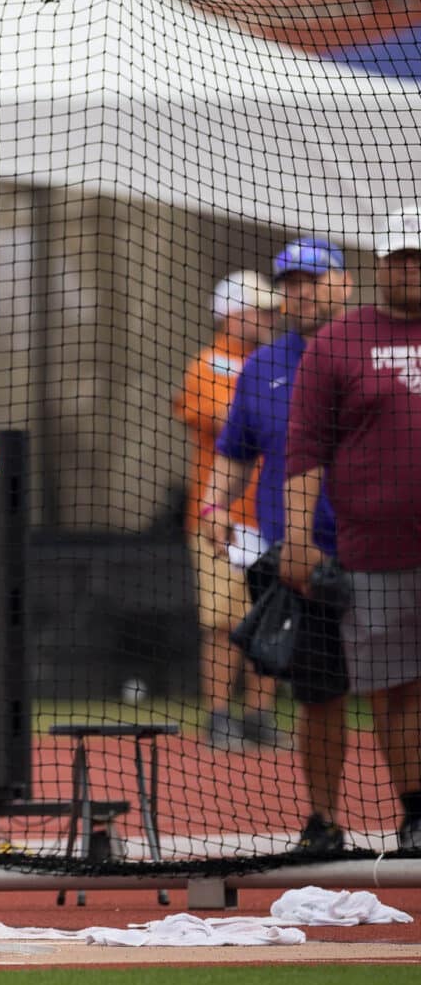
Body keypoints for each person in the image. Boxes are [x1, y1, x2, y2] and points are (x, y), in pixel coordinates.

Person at [202, 239, 352, 854]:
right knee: (318, 696)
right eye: (290, 282)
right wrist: (214, 503)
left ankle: (414, 813)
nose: (301, 291)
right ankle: (323, 822)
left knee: (404, 692)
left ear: (344, 282)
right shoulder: (262, 364)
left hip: (386, 550)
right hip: (299, 559)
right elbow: (236, 451)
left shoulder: (377, 347)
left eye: (313, 279)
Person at [282, 206, 421, 855]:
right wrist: (296, 539)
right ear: (379, 263)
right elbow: (304, 447)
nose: (410, 266)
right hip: (369, 551)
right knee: (392, 689)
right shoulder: (340, 341)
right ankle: (415, 812)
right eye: (399, 256)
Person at [175, 271, 278, 751]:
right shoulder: (209, 365)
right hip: (221, 515)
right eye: (260, 310)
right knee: (222, 622)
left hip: (273, 514)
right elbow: (227, 423)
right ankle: (218, 716)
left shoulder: (277, 363)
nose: (269, 318)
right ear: (234, 314)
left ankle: (259, 716)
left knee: (273, 615)